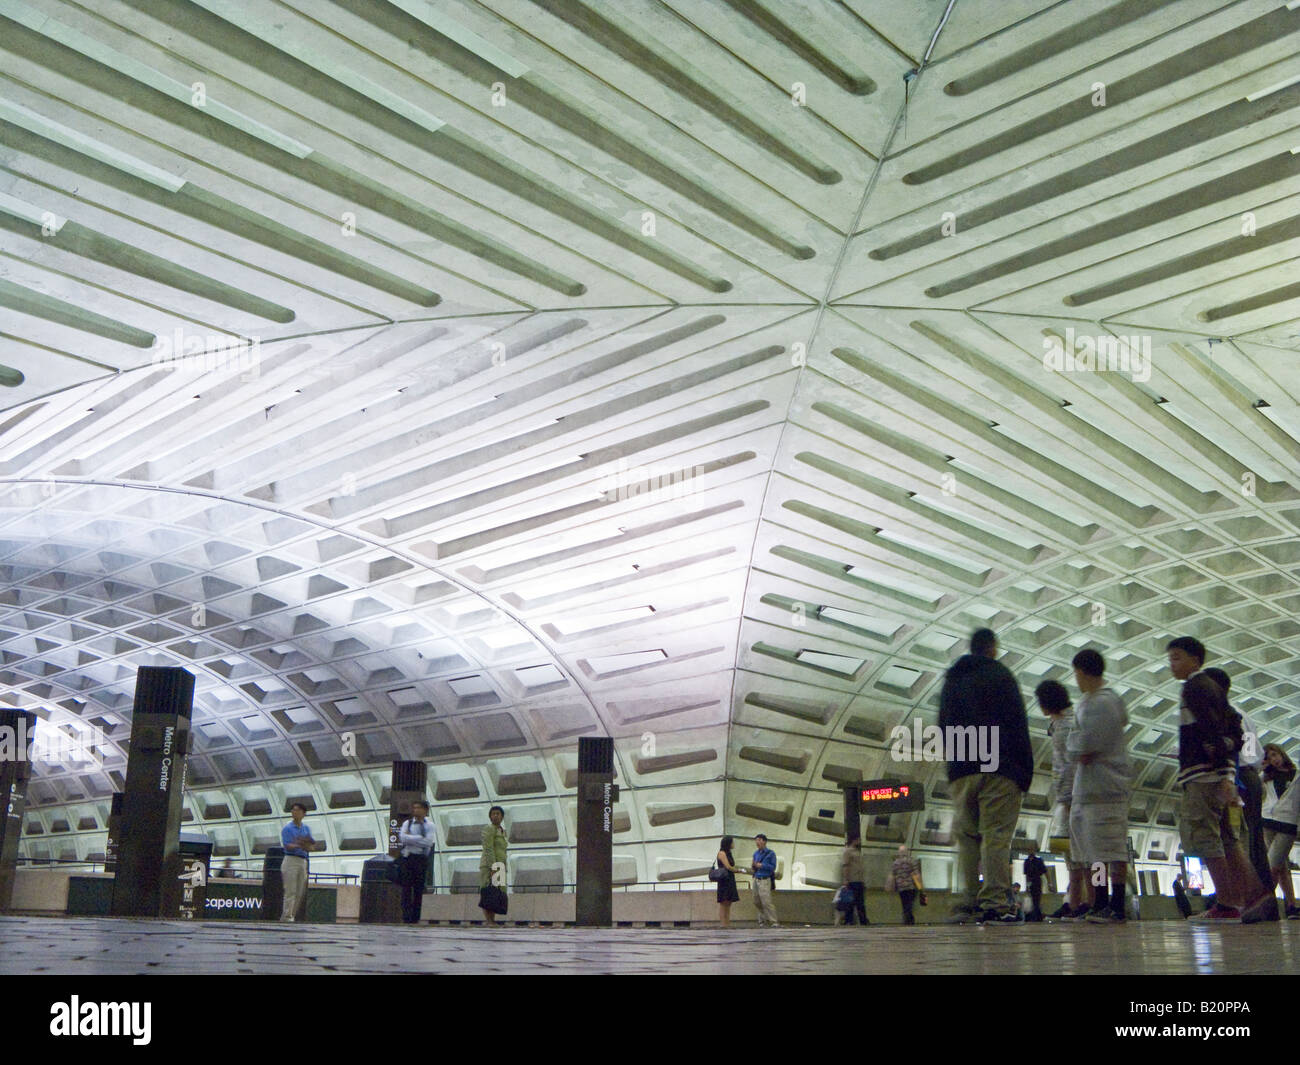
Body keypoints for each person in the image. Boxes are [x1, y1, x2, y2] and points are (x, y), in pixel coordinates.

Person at [1167, 636, 1275, 923]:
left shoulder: (1194, 687)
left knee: (1204, 837)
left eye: (1177, 657)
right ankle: (1253, 895)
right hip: (1217, 774)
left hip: (1203, 777)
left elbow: (1212, 732)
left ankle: (1228, 903)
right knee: (1228, 838)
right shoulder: (1214, 691)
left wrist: (1220, 768)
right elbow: (1234, 734)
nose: (1171, 664)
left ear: (1195, 660)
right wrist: (1227, 771)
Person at [939, 628, 1034, 924]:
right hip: (999, 766)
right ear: (992, 648)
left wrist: (955, 765)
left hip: (962, 768)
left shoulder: (953, 679)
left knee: (968, 837)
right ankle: (994, 902)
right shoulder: (1001, 676)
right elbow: (1018, 724)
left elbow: (943, 724)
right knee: (995, 835)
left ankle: (969, 900)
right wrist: (1024, 772)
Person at [1066, 649, 1132, 923]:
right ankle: (1102, 902)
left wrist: (1076, 743)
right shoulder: (1102, 701)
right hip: (1097, 789)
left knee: (1107, 851)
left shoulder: (1099, 703)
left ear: (1081, 671)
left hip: (1102, 790)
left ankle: (1112, 904)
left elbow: (1083, 746)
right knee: (1099, 851)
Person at [1202, 667, 1271, 893]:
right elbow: (1256, 753)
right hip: (1251, 777)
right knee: (1255, 838)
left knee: (1236, 837)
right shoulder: (1243, 714)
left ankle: (1245, 894)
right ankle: (1265, 894)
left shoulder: (1222, 714)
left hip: (1236, 778)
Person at [1036, 678, 1089, 920]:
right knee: (1074, 855)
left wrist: (1067, 798)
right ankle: (1076, 901)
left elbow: (1069, 765)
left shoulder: (1066, 726)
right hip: (1072, 796)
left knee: (1086, 854)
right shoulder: (1061, 723)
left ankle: (1092, 900)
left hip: (1075, 797)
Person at [1260, 743, 1299, 919]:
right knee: (1281, 865)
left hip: (1287, 823)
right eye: (1269, 757)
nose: (1274, 760)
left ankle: (1263, 903)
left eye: (1275, 755)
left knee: (1273, 863)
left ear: (1282, 754)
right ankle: (1291, 905)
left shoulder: (1295, 775)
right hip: (1268, 821)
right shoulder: (1266, 776)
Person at [279, 802, 319, 922]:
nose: (294, 812)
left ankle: (292, 915)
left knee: (299, 891)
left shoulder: (306, 828)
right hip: (291, 859)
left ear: (303, 813)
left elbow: (312, 846)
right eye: (293, 810)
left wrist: (304, 844)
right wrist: (301, 844)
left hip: (303, 860)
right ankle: (287, 916)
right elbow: (288, 846)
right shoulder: (287, 828)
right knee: (290, 890)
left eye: (297, 810)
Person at [398, 799, 435, 925]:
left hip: (421, 859)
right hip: (408, 858)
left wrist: (411, 839)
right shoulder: (407, 824)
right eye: (414, 808)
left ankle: (416, 917)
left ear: (425, 810)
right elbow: (402, 838)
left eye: (419, 808)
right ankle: (406, 917)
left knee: (419, 889)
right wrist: (419, 838)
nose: (416, 810)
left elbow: (428, 842)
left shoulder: (429, 825)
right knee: (406, 888)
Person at [479, 805, 508, 926]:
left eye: (498, 814)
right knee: (488, 891)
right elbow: (488, 848)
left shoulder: (501, 830)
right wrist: (493, 867)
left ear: (502, 817)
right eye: (493, 814)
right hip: (490, 865)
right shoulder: (489, 829)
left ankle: (492, 919)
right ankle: (488, 920)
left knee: (496, 893)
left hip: (500, 865)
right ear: (490, 816)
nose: (495, 816)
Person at [839, 833, 868, 926]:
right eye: (858, 839)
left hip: (859, 880)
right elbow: (845, 866)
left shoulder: (857, 851)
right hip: (852, 880)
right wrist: (846, 879)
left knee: (860, 902)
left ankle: (862, 920)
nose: (860, 841)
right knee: (851, 902)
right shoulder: (847, 852)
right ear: (854, 840)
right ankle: (849, 920)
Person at [890, 844, 924, 925]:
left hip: (901, 888)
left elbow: (892, 875)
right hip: (910, 886)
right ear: (907, 852)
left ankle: (907, 920)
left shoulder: (895, 863)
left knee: (905, 904)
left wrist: (891, 887)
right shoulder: (912, 861)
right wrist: (921, 887)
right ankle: (909, 921)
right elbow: (916, 874)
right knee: (909, 905)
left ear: (899, 852)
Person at [750, 834, 779, 927]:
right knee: (756, 900)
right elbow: (754, 865)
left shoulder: (771, 854)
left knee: (766, 901)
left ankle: (773, 921)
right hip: (756, 878)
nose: (757, 842)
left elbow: (773, 867)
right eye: (756, 840)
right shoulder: (755, 853)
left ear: (764, 841)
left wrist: (761, 866)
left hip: (765, 879)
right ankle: (761, 920)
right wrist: (754, 866)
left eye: (759, 840)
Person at [715, 835, 741, 927]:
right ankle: (723, 923)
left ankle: (727, 922)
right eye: (732, 842)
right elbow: (728, 866)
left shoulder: (729, 853)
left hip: (730, 879)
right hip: (724, 879)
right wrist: (737, 870)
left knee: (729, 902)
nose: (733, 844)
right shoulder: (722, 853)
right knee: (724, 902)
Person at [1022, 848, 1047, 921]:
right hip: (1031, 882)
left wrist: (1049, 883)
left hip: (1037, 881)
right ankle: (1037, 916)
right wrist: (1027, 885)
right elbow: (1026, 874)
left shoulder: (1039, 860)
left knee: (1037, 899)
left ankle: (1036, 916)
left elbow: (1045, 871)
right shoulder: (1026, 862)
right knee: (1033, 900)